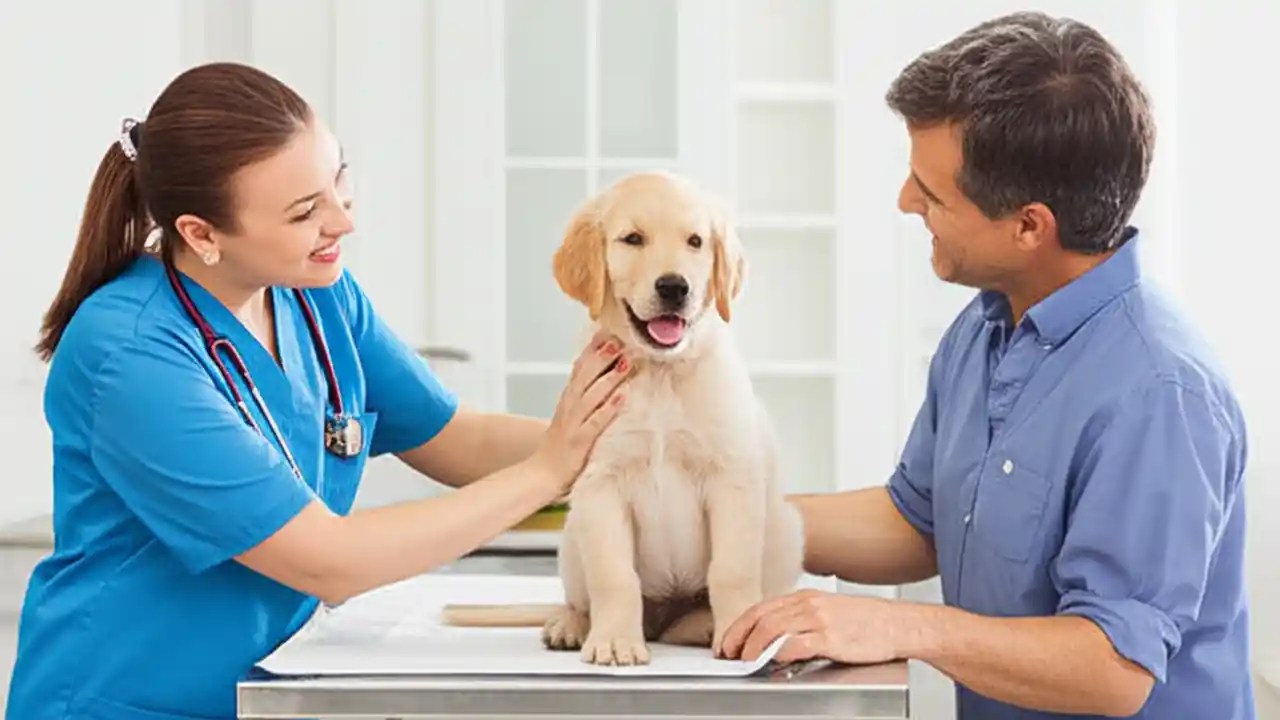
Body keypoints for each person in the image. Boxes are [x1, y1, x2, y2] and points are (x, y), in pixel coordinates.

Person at [6, 62, 632, 719]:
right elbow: (328, 560)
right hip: (123, 701)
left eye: (339, 181)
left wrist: (639, 438)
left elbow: (458, 438)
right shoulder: (129, 354)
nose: (341, 222)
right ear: (201, 234)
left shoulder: (315, 298)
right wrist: (548, 470)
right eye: (306, 211)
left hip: (263, 691)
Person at [721, 12, 1253, 720]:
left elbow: (1113, 668)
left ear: (1030, 226)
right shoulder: (990, 322)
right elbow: (921, 522)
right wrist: (727, 520)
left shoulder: (1158, 393)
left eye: (933, 194)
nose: (906, 203)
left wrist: (897, 626)